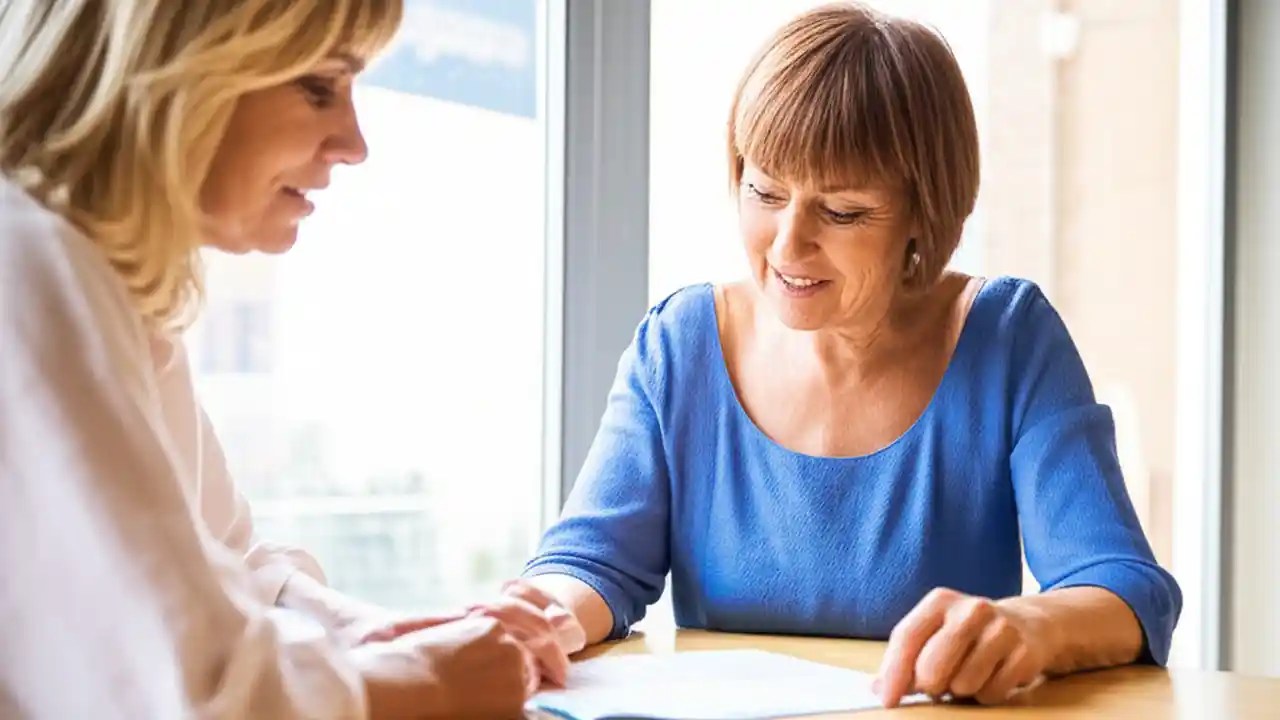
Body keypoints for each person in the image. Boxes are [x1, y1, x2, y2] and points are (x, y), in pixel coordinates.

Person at [503, 1, 1182, 708]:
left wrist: (1026, 627)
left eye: (842, 212)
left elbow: (1124, 587)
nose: (788, 245)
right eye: (763, 191)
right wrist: (537, 618)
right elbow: (589, 563)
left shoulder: (1006, 339)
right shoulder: (679, 345)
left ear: (924, 213)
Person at [0, 1, 575, 717]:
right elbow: (187, 694)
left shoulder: (125, 299)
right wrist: (417, 684)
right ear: (178, 70)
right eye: (318, 88)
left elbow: (228, 564)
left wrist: (358, 629)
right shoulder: (28, 266)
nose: (354, 143)